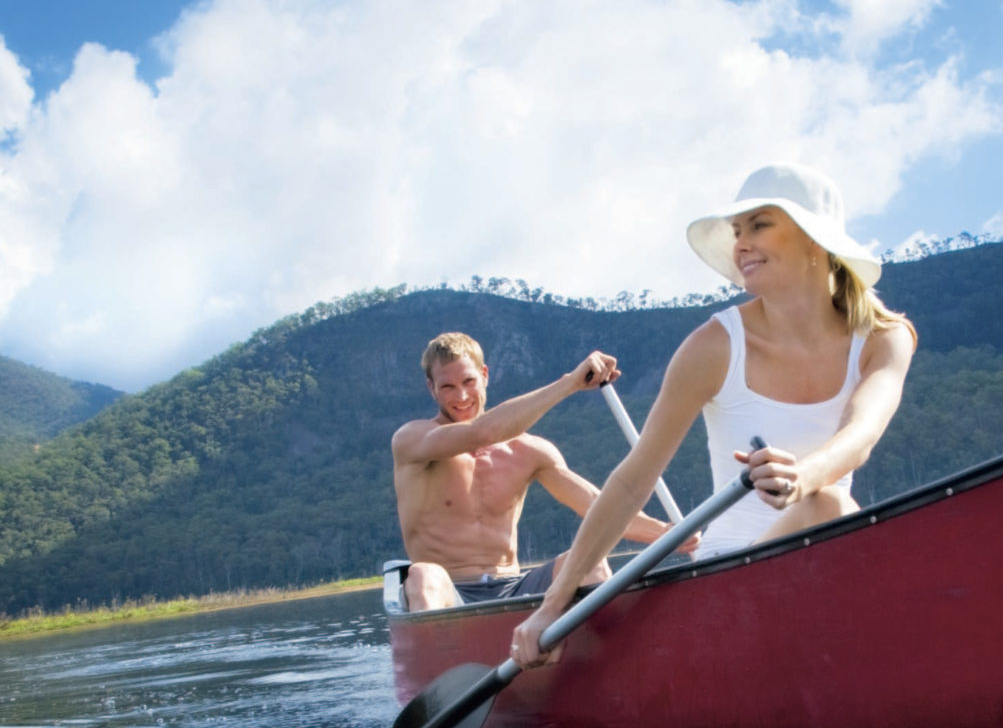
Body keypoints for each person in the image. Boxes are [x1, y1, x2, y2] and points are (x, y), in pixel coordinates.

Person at [510, 163, 916, 669]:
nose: (741, 243)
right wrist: (550, 607)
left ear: (816, 240)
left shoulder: (885, 337)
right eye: (737, 231)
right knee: (829, 505)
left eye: (760, 225)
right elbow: (635, 480)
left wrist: (803, 476)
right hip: (728, 581)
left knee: (829, 502)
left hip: (828, 563)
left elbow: (863, 432)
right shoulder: (713, 346)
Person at [391, 332, 684, 611]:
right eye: (448, 387)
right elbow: (482, 432)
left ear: (484, 375)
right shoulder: (413, 441)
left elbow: (597, 506)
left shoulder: (530, 451)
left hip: (514, 586)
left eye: (469, 381)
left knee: (589, 562)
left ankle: (613, 657)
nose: (462, 395)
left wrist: (668, 534)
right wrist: (570, 383)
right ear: (431, 388)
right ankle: (440, 657)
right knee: (422, 576)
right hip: (448, 589)